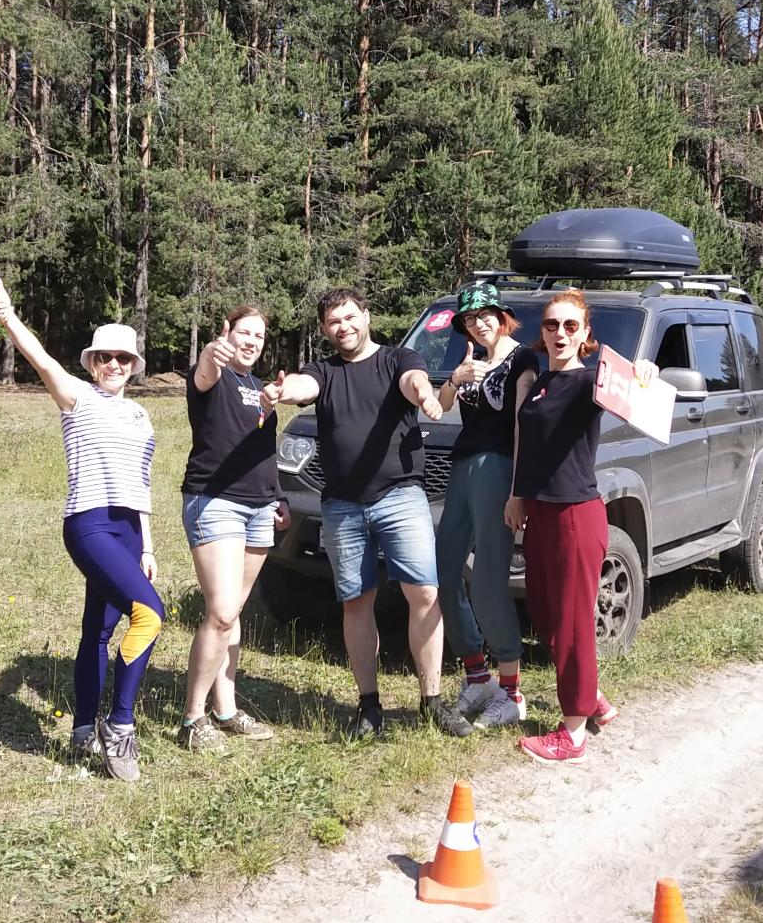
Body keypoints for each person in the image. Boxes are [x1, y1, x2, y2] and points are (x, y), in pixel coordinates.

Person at [262, 286, 468, 741]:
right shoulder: (326, 371)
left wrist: (426, 397)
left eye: (351, 317)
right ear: (324, 329)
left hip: (400, 497)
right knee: (357, 601)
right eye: (335, 321)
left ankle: (431, 700)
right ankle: (368, 706)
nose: (344, 327)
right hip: (342, 504)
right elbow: (303, 387)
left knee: (425, 594)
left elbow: (413, 382)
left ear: (366, 316)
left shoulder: (398, 359)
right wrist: (282, 389)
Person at [0, 277, 162, 783]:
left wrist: (147, 545)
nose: (113, 365)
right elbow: (40, 358)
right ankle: (121, 727)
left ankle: (84, 727)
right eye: (104, 357)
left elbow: (142, 482)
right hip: (90, 524)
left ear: (133, 366)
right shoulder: (77, 398)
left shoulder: (140, 414)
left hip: (128, 529)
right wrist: (11, 318)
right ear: (91, 362)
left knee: (99, 631)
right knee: (150, 614)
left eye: (122, 359)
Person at [503, 289, 654, 766]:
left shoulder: (592, 381)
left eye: (571, 326)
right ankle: (594, 701)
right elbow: (527, 444)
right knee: (547, 616)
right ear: (541, 331)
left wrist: (645, 375)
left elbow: (638, 398)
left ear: (586, 334)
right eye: (552, 325)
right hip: (541, 512)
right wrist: (516, 494)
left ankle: (573, 732)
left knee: (571, 623)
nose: (561, 333)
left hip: (576, 515)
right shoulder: (541, 380)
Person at [433, 280, 541, 729]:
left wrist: (518, 491)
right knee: (441, 571)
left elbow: (521, 427)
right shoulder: (470, 361)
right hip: (462, 467)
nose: (479, 325)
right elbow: (438, 408)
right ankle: (477, 674)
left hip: (498, 469)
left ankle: (512, 691)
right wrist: (455, 379)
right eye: (470, 320)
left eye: (486, 316)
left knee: (489, 581)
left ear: (502, 315)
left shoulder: (523, 359)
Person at [178, 306, 286, 752]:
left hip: (260, 509)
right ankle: (191, 719)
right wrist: (210, 354)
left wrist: (278, 495)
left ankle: (225, 709)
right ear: (228, 334)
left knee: (232, 616)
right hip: (215, 502)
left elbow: (263, 448)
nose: (251, 340)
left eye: (259, 335)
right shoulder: (213, 377)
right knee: (221, 612)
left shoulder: (261, 389)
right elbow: (204, 372)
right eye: (244, 332)